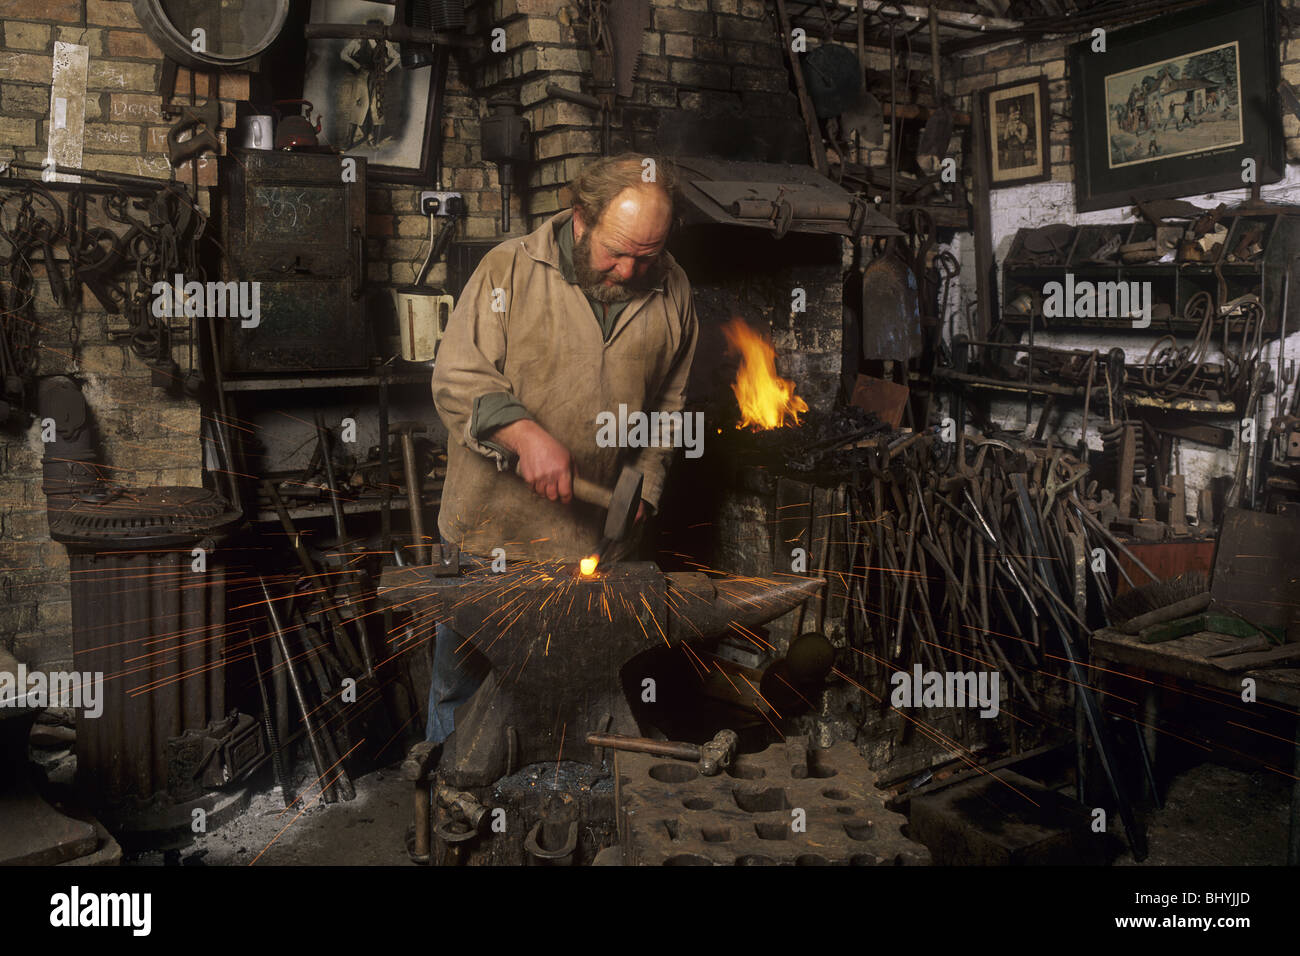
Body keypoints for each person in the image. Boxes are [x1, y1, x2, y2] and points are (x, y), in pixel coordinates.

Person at [424, 153, 699, 745]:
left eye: (646, 256)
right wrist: (523, 434)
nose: (628, 270)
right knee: (467, 697)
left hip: (593, 550)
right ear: (581, 220)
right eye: (616, 252)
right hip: (492, 537)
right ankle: (452, 815)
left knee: (581, 697)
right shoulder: (508, 272)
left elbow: (668, 414)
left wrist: (647, 485)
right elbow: (456, 377)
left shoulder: (673, 291)